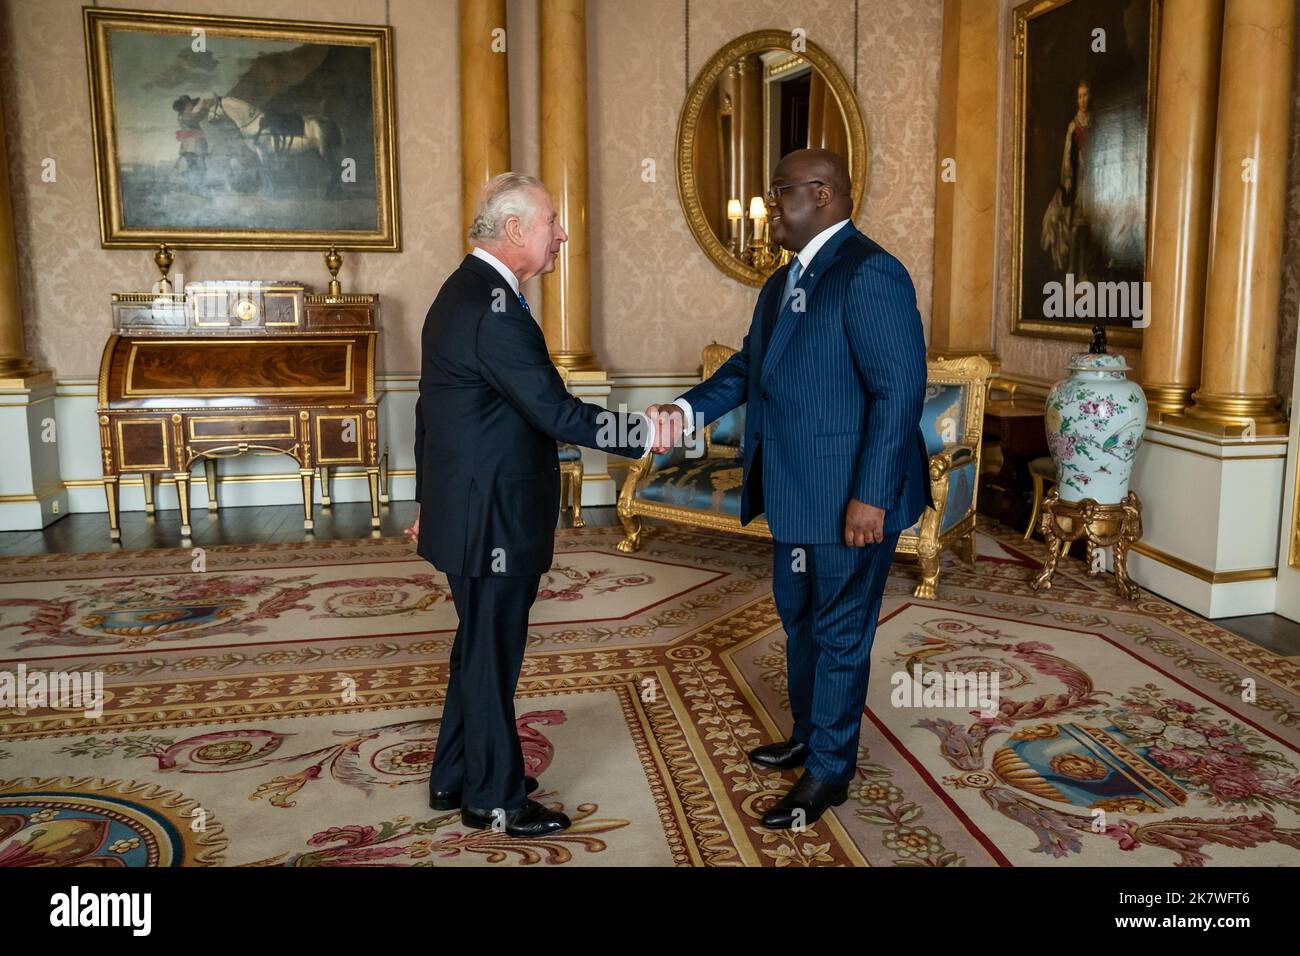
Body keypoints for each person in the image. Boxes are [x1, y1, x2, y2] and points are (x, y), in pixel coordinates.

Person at [647, 148, 930, 829]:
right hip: (797, 495)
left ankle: (830, 771)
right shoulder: (782, 284)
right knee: (800, 621)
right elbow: (748, 370)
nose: (771, 205)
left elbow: (900, 392)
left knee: (840, 633)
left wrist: (872, 495)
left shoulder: (872, 272)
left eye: (781, 193)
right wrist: (683, 412)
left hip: (853, 500)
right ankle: (809, 735)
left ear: (824, 194)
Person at [407, 172, 650, 837]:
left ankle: (455, 773)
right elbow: (557, 412)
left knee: (477, 647)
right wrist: (647, 431)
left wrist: (433, 503)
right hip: (492, 517)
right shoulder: (492, 308)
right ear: (515, 230)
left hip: (470, 508)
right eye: (552, 222)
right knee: (491, 656)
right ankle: (494, 799)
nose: (562, 234)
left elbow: (435, 413)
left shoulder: (465, 292)